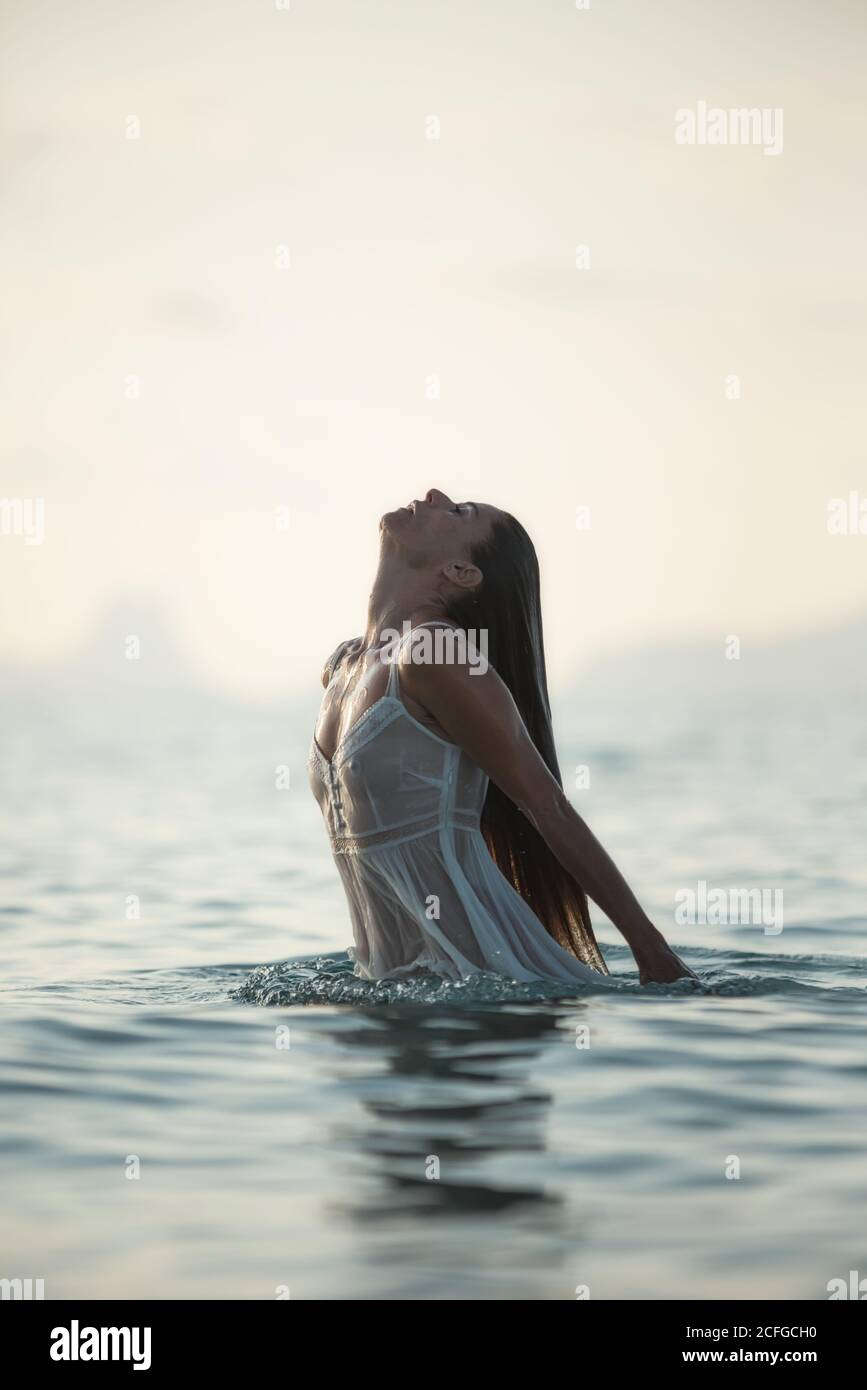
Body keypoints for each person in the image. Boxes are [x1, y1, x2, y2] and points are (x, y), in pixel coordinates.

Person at [308, 489, 696, 987]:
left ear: (462, 574)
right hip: (398, 994)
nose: (434, 495)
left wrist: (653, 954)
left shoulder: (435, 652)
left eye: (459, 512)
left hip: (487, 981)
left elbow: (545, 804)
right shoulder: (344, 667)